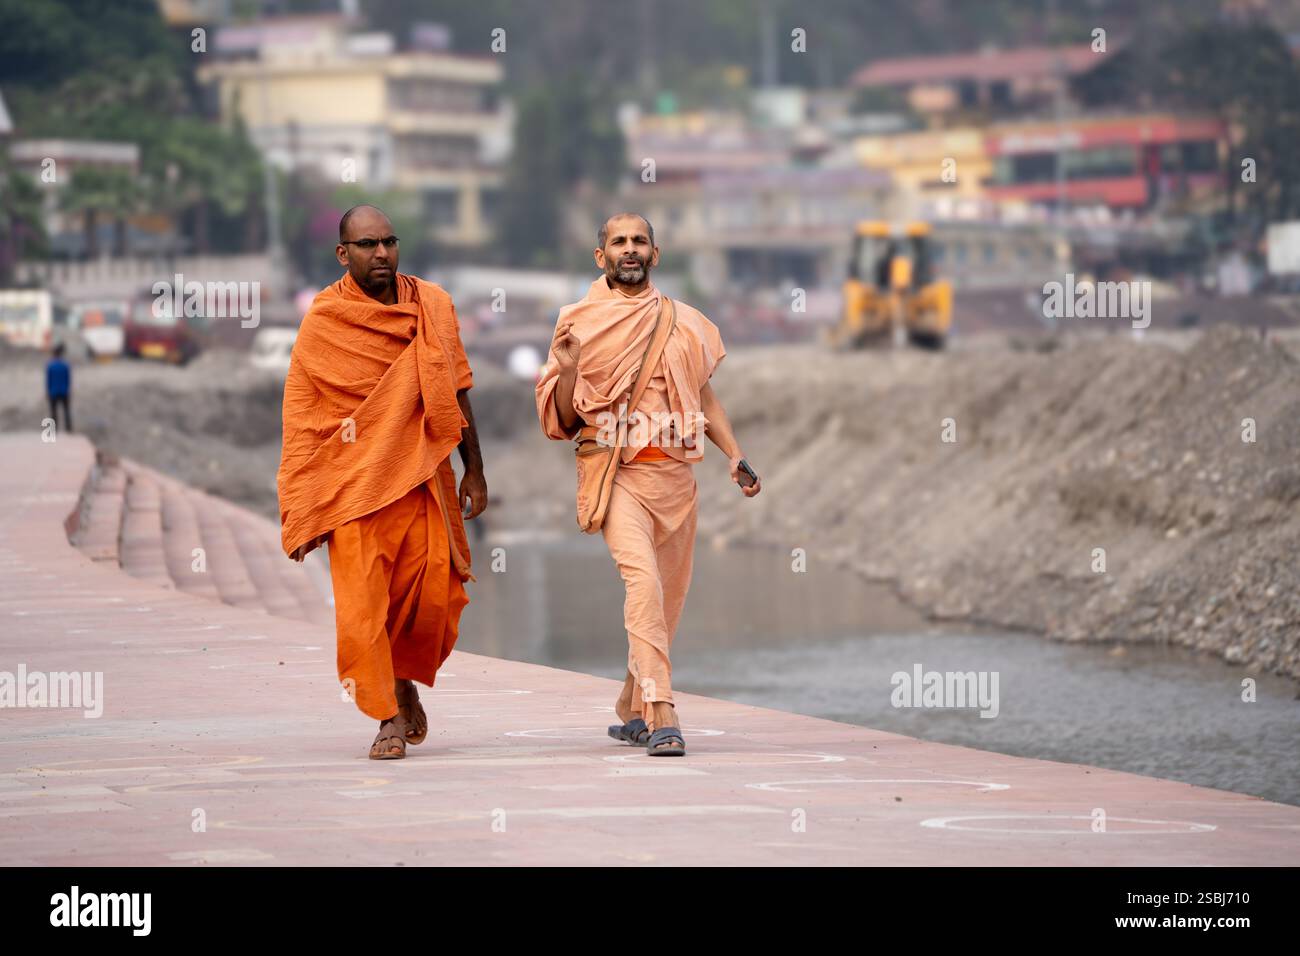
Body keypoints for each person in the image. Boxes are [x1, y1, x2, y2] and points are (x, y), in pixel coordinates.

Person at [535, 213, 761, 757]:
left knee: (668, 604)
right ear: (601, 257)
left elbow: (704, 398)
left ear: (655, 254)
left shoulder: (684, 322)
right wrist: (567, 372)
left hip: (678, 481)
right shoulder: (578, 322)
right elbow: (561, 420)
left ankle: (630, 708)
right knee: (645, 588)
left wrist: (734, 455)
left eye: (639, 241)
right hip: (619, 479)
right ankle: (662, 713)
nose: (629, 250)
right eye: (619, 242)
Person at [278, 204, 487, 760]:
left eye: (389, 243)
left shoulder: (433, 307)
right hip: (355, 489)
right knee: (363, 608)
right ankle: (387, 718)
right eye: (367, 245)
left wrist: (476, 471)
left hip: (422, 478)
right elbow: (304, 416)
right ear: (343, 254)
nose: (382, 255)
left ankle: (403, 679)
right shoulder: (325, 319)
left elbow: (457, 390)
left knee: (430, 598)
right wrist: (305, 495)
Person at [46, 343, 71, 433]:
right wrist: (68, 390)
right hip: (64, 391)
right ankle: (69, 429)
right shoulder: (65, 365)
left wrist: (47, 392)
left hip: (53, 391)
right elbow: (68, 379)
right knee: (66, 411)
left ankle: (54, 430)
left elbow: (48, 380)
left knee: (54, 412)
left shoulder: (50, 366)